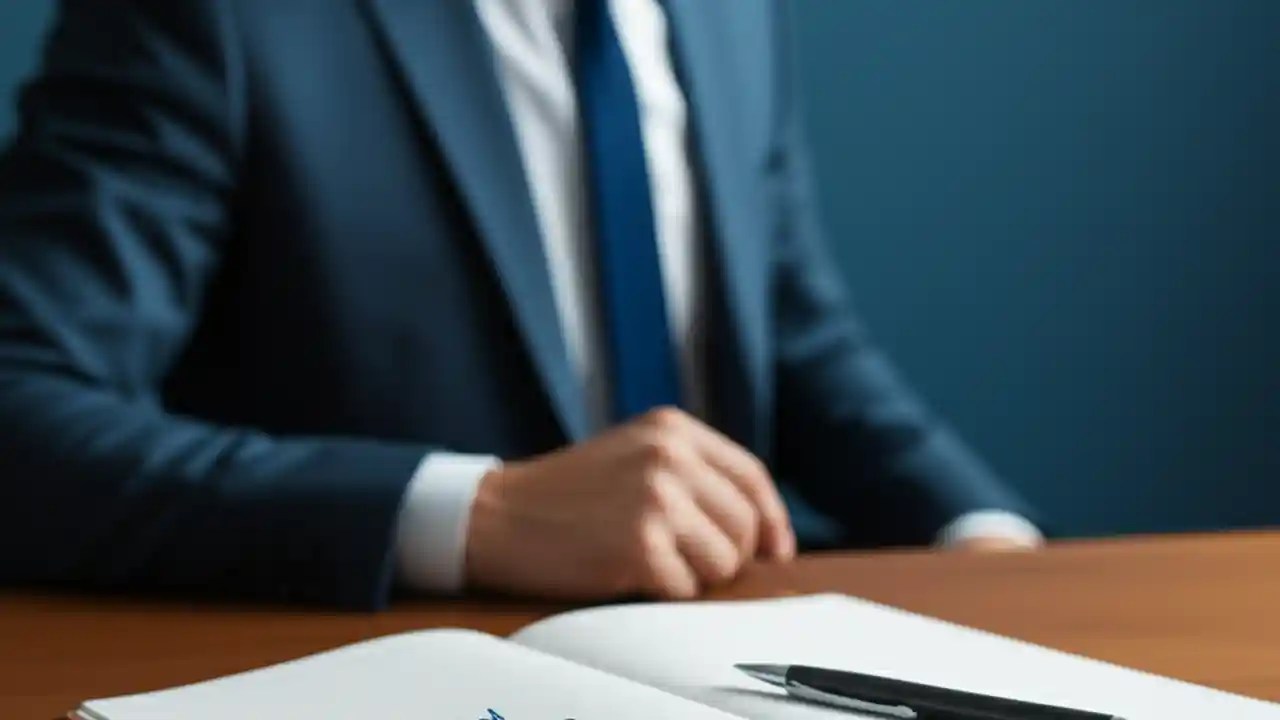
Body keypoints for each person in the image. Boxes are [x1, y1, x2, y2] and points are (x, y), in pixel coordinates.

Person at [0, 0, 1042, 610]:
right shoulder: (217, 17)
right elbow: (21, 410)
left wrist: (980, 538)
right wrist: (476, 514)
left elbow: (794, 333)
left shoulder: (729, 16)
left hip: (716, 651)